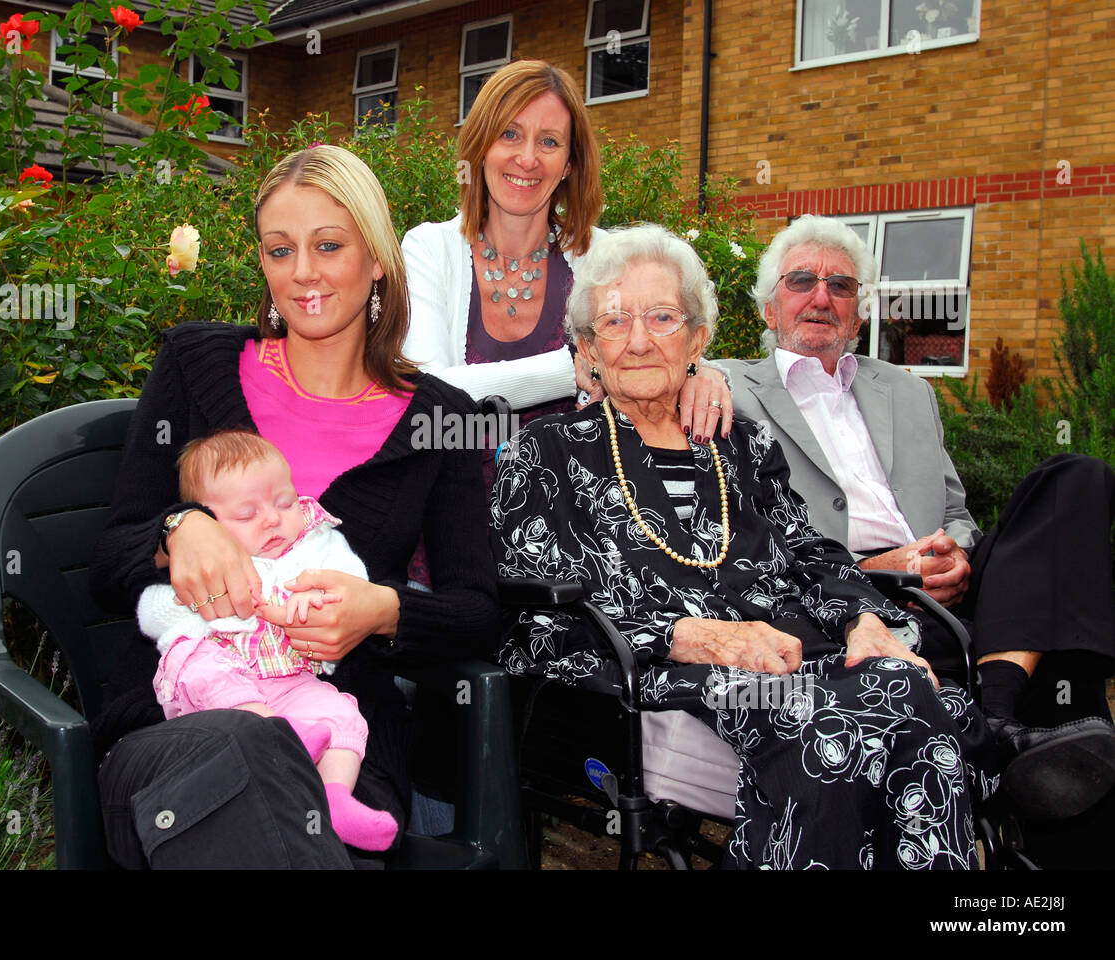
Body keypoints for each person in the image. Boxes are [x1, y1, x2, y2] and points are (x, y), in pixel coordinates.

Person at [492, 223, 997, 869]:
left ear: (698, 339)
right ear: (587, 347)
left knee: (905, 690)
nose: (640, 340)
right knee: (861, 719)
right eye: (615, 322)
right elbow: (532, 619)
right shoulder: (547, 452)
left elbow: (813, 551)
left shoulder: (742, 443)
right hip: (671, 676)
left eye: (663, 317)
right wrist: (692, 635)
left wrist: (867, 621)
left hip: (803, 657)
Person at [89, 145, 499, 868]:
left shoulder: (442, 421)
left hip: (341, 736)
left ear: (376, 259)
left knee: (293, 807)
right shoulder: (197, 363)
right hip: (177, 723)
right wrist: (178, 530)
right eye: (281, 250)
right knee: (247, 753)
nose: (303, 272)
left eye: (329, 245)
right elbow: (110, 558)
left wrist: (382, 611)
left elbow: (480, 610)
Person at [714, 214, 1115, 830]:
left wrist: (954, 550)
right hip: (843, 589)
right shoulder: (725, 386)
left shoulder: (906, 389)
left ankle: (998, 714)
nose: (822, 297)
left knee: (1076, 477)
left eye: (841, 286)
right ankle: (1008, 728)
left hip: (942, 573)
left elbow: (955, 506)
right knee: (1061, 651)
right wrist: (877, 568)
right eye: (802, 281)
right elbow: (750, 538)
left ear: (858, 312)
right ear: (770, 307)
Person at [401, 59, 731, 447]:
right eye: (509, 134)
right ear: (480, 145)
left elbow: (665, 347)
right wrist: (568, 366)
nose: (527, 158)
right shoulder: (430, 249)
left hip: (583, 501)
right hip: (459, 499)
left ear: (569, 163)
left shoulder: (606, 258)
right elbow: (426, 394)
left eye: (549, 142)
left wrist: (704, 373)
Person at [136, 429, 396, 851]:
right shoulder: (206, 562)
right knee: (200, 665)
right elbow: (152, 612)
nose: (273, 519)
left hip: (289, 680)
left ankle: (336, 798)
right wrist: (207, 609)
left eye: (284, 502)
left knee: (340, 715)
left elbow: (353, 582)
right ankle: (280, 736)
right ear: (210, 523)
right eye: (246, 514)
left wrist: (315, 597)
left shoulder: (317, 542)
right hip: (221, 678)